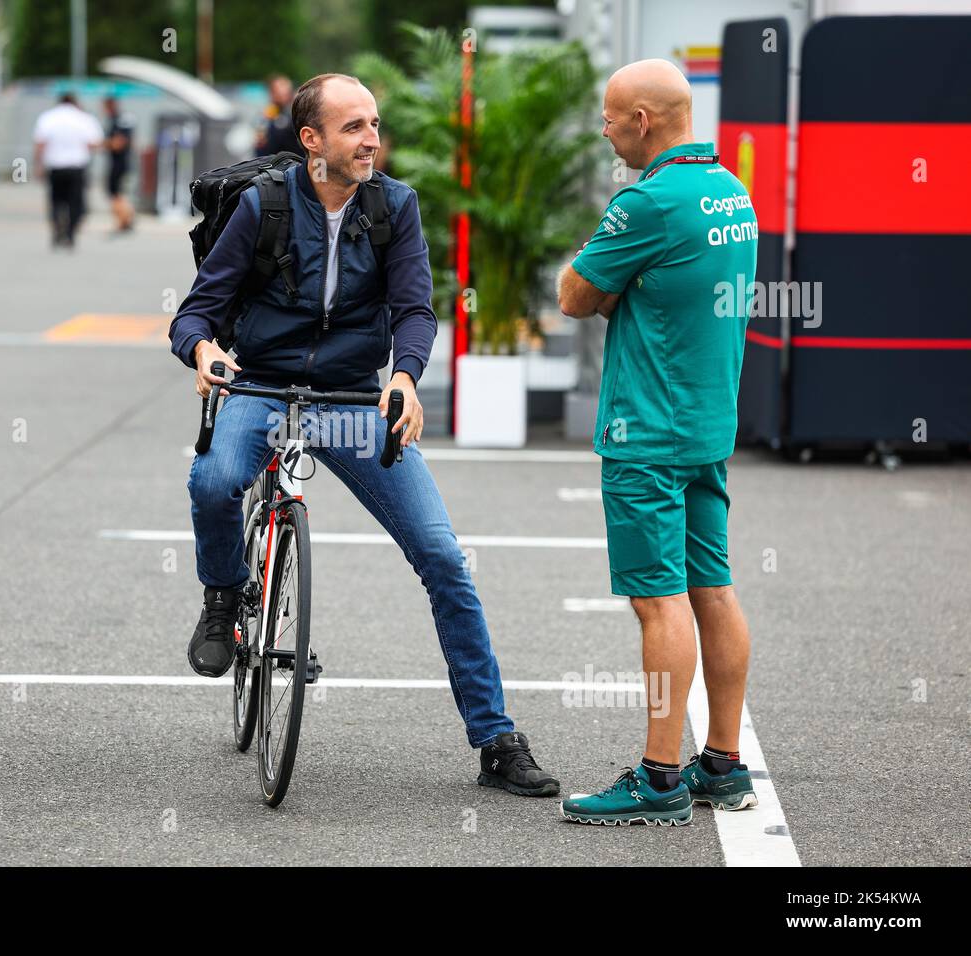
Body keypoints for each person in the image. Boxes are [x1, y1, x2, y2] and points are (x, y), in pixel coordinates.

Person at [168, 73, 558, 798]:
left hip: (352, 398)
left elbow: (414, 309)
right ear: (310, 140)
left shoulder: (395, 207)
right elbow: (196, 314)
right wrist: (206, 353)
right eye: (353, 127)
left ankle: (497, 739)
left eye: (374, 124)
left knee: (443, 555)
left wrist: (405, 376)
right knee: (214, 480)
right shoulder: (264, 206)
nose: (372, 138)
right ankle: (224, 596)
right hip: (263, 387)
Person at [556, 59, 759, 826]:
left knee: (657, 602)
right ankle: (722, 763)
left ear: (643, 121)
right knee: (712, 586)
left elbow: (576, 296)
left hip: (646, 430)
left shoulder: (646, 203)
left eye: (611, 117)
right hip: (707, 424)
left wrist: (616, 281)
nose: (604, 129)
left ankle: (660, 777)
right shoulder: (731, 194)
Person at [33, 93, 103, 249]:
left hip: (55, 165)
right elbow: (95, 143)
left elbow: (40, 144)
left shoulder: (48, 118)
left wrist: (38, 165)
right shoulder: (84, 118)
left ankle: (58, 230)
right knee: (75, 202)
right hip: (76, 166)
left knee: (56, 201)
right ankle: (71, 233)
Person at [102, 96, 135, 234]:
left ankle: (124, 220)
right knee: (118, 193)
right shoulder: (121, 119)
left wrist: (102, 144)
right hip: (120, 162)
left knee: (116, 193)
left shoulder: (118, 120)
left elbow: (119, 143)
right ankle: (125, 219)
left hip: (119, 163)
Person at [255, 74, 303, 158]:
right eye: (280, 87)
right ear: (272, 93)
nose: (283, 91)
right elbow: (261, 147)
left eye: (286, 87)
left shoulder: (298, 110)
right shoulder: (267, 115)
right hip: (275, 162)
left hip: (298, 159)